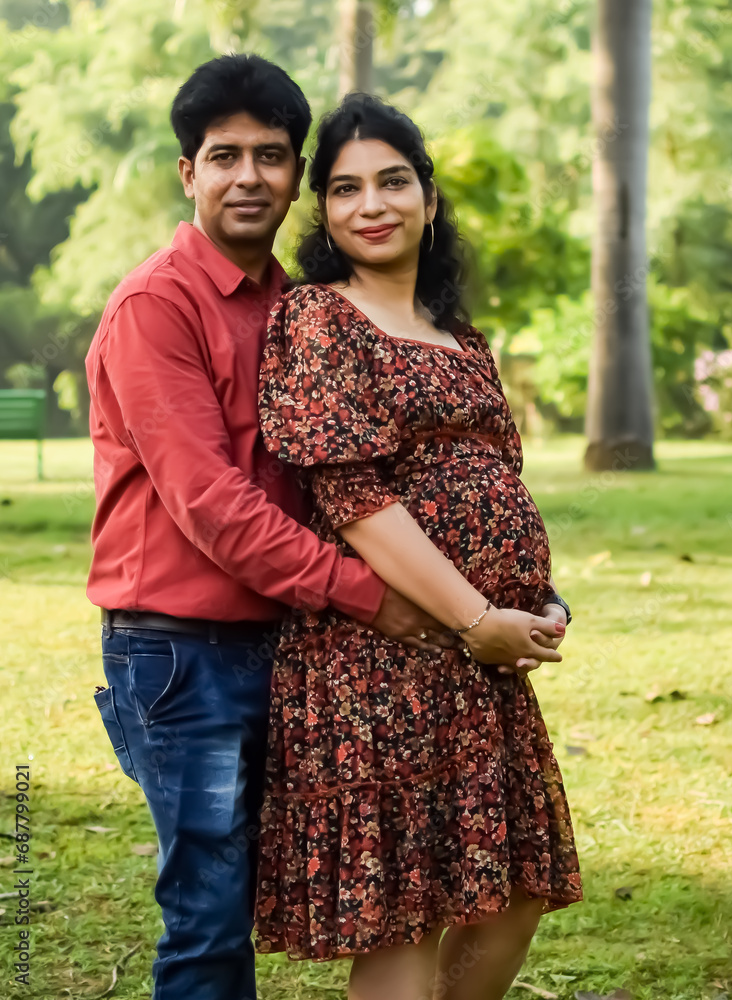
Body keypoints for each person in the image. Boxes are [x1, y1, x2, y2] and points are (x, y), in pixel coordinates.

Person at [86, 55, 562, 1000]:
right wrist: (382, 600)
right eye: (225, 157)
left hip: (302, 638)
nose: (249, 176)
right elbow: (215, 505)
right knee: (212, 918)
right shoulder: (160, 307)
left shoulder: (291, 301)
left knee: (446, 882)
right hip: (187, 652)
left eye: (271, 156)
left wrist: (514, 589)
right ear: (190, 173)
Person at [254, 93, 584, 1000]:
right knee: (405, 906)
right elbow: (356, 501)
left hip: (484, 662)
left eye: (394, 181)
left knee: (511, 892)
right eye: (348, 187)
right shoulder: (318, 319)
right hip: (382, 655)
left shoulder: (458, 335)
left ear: (429, 199)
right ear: (324, 211)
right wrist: (476, 615)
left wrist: (541, 601)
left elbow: (500, 483)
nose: (374, 204)